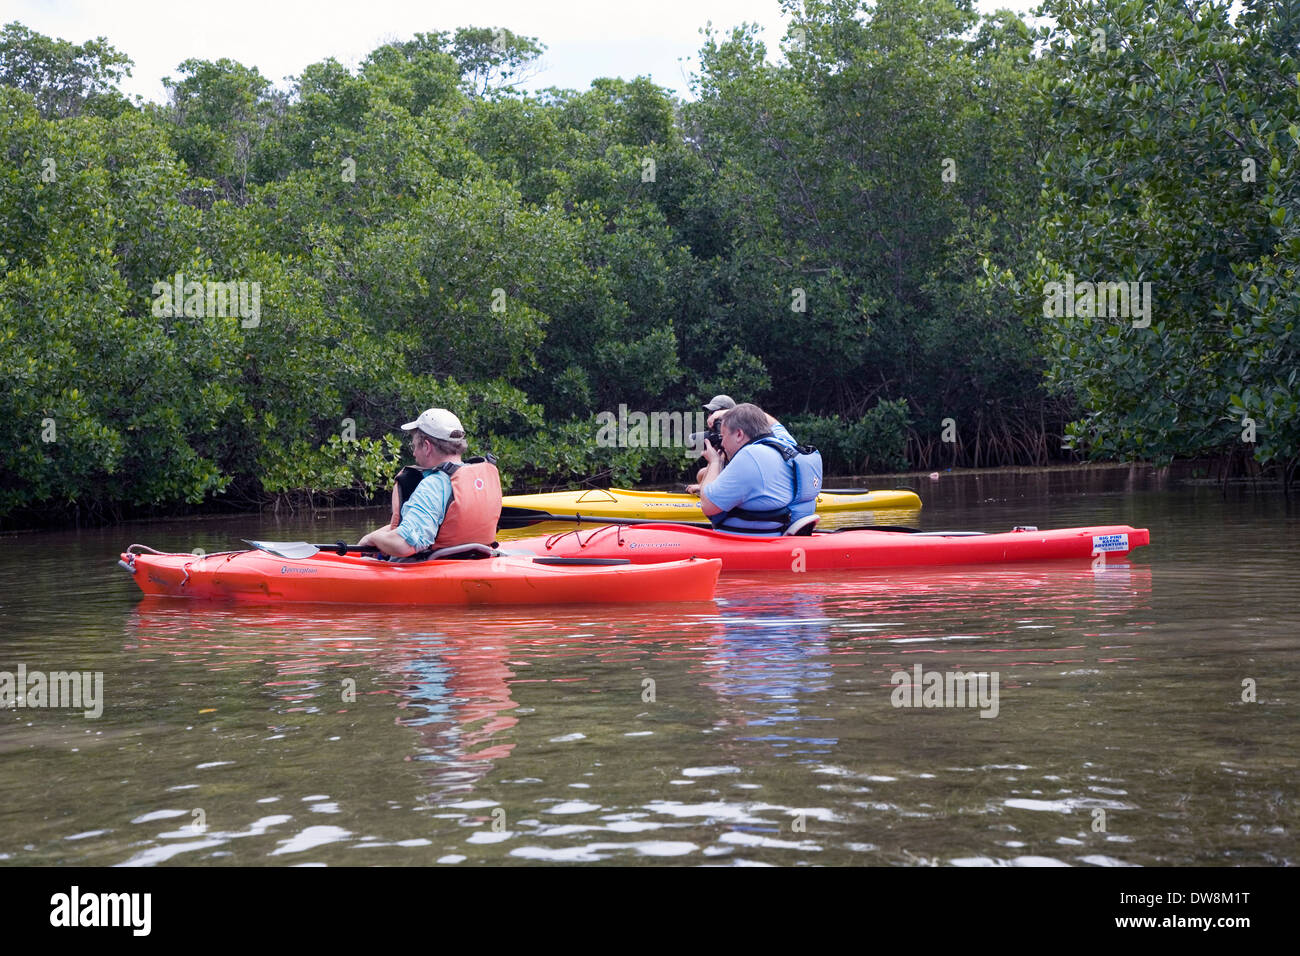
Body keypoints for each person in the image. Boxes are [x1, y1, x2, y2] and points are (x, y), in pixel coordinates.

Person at [358, 408, 502, 557]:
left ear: (427, 447)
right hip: (478, 559)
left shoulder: (434, 485)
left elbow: (404, 545)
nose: (413, 453)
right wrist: (383, 535)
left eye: (414, 446)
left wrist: (371, 538)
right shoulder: (480, 478)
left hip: (435, 569)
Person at [698, 402, 822, 533]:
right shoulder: (785, 442)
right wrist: (727, 413)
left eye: (723, 436)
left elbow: (708, 506)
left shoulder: (749, 456)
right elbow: (773, 422)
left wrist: (714, 462)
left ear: (739, 434)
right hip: (787, 534)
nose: (722, 443)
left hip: (749, 543)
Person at [685, 395, 799, 494]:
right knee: (701, 474)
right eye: (710, 413)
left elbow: (712, 498)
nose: (711, 417)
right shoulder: (721, 438)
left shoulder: (749, 450)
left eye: (715, 413)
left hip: (762, 493)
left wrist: (706, 486)